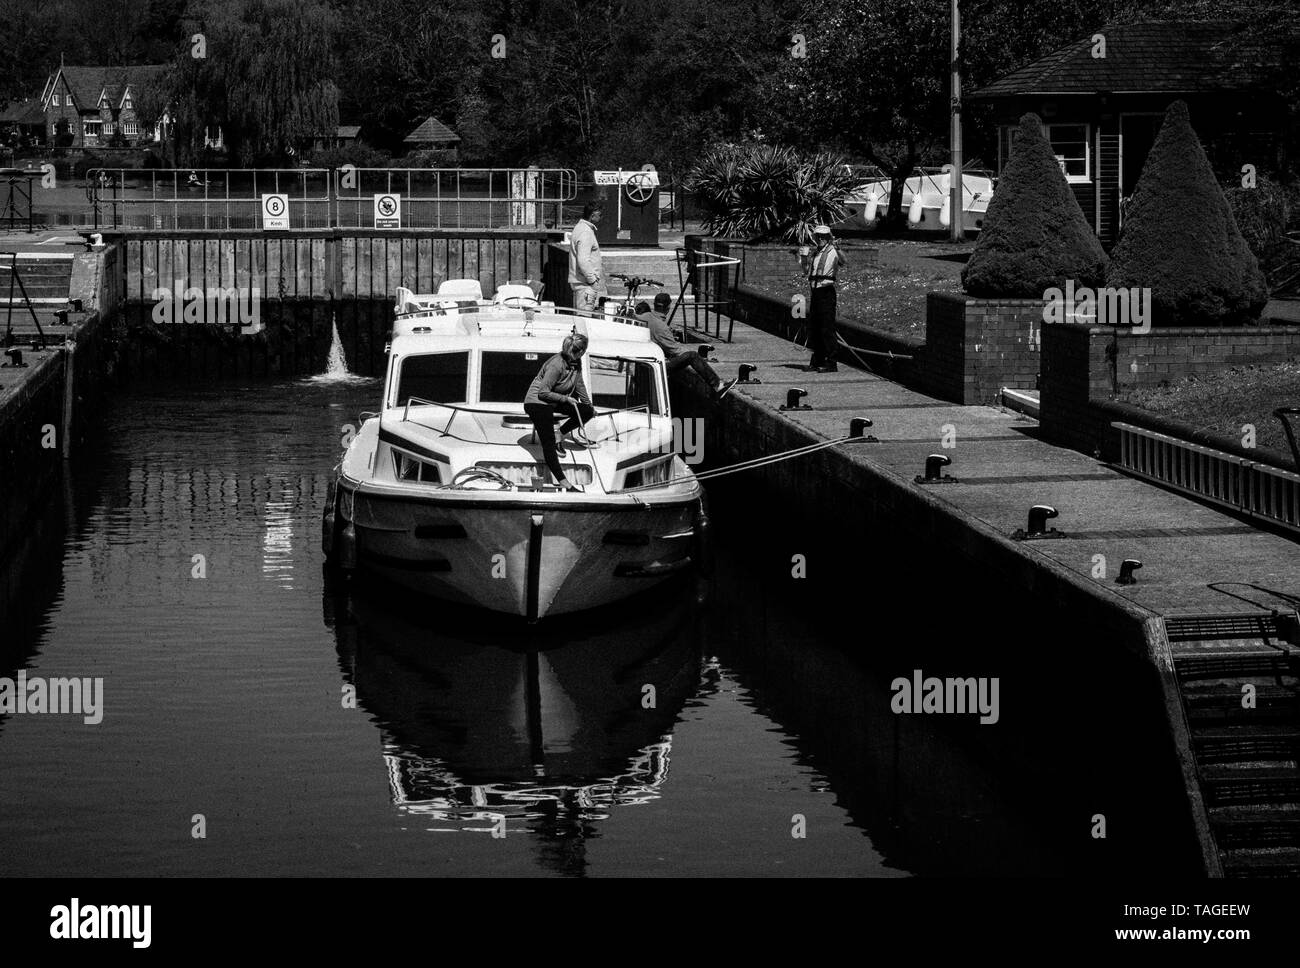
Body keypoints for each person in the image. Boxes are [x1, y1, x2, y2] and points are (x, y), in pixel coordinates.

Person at [524, 332, 596, 490]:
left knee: (586, 412)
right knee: (547, 443)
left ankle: (560, 434)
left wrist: (588, 405)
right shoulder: (556, 365)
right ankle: (565, 483)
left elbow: (579, 384)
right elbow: (542, 392)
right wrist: (565, 399)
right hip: (537, 402)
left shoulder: (576, 361)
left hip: (555, 399)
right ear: (581, 350)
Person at [636, 293, 737, 402]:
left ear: (654, 305)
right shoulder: (662, 327)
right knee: (692, 356)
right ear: (668, 307)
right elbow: (676, 351)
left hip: (640, 361)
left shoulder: (643, 317)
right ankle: (718, 386)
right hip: (656, 365)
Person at [801, 224, 848, 372]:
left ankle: (831, 362)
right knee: (815, 327)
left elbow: (844, 261)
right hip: (815, 293)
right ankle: (817, 360)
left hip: (826, 293)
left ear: (828, 237)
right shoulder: (815, 253)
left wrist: (838, 248)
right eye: (818, 236)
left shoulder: (833, 250)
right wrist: (803, 259)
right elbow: (806, 271)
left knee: (827, 328)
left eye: (823, 236)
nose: (820, 239)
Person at [568, 202, 605, 312]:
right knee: (585, 320)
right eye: (600, 215)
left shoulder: (580, 228)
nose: (601, 218)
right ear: (593, 215)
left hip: (583, 283)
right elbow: (583, 260)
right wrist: (593, 281)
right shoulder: (585, 232)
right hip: (585, 285)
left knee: (583, 319)